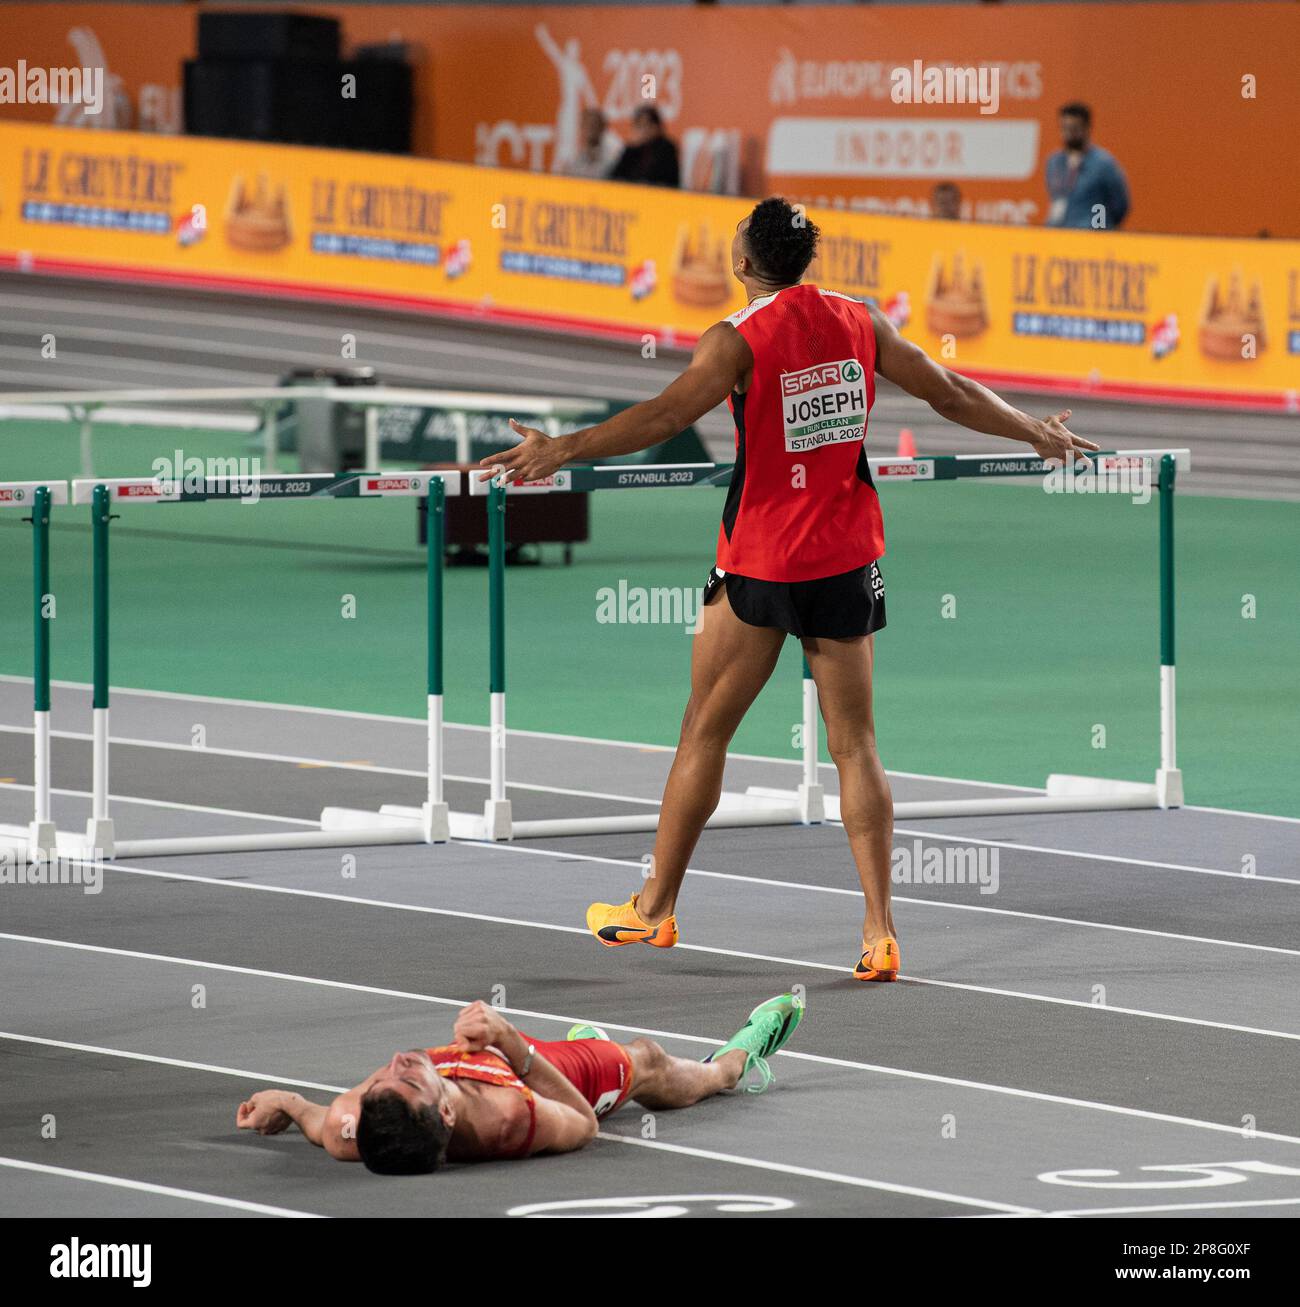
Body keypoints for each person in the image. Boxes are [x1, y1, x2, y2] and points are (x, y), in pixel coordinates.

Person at [480, 197, 1098, 983]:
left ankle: (655, 906)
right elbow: (947, 390)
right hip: (845, 557)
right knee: (856, 745)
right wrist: (1036, 431)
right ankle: (879, 932)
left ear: (744, 263)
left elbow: (668, 411)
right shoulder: (860, 322)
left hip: (763, 562)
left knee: (704, 730)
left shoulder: (735, 340)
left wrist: (561, 449)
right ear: (804, 261)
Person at [235, 994, 803, 1172]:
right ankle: (734, 1061)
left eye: (383, 1079)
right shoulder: (508, 1122)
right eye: (409, 1077)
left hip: (500, 1060)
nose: (395, 1061)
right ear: (448, 1115)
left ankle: (588, 1037)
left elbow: (315, 1122)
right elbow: (581, 1122)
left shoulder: (351, 1127)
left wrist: (283, 1102)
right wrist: (508, 1037)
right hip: (543, 1080)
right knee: (646, 1062)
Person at [1045, 102, 1130, 230]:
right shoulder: (1054, 162)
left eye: (1074, 129)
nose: (1068, 134)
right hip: (1060, 233)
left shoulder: (1103, 164)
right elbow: (1056, 198)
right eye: (1064, 128)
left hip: (1091, 236)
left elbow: (1119, 205)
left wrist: (1099, 226)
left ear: (1087, 128)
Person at [611, 105, 680, 188]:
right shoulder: (632, 149)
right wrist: (632, 149)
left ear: (656, 127)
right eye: (638, 125)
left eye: (644, 125)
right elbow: (615, 176)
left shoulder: (667, 148)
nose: (641, 131)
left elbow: (662, 179)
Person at [554, 106, 622, 180]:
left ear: (602, 128)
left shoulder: (613, 155)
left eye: (594, 125)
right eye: (585, 125)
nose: (589, 130)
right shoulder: (574, 159)